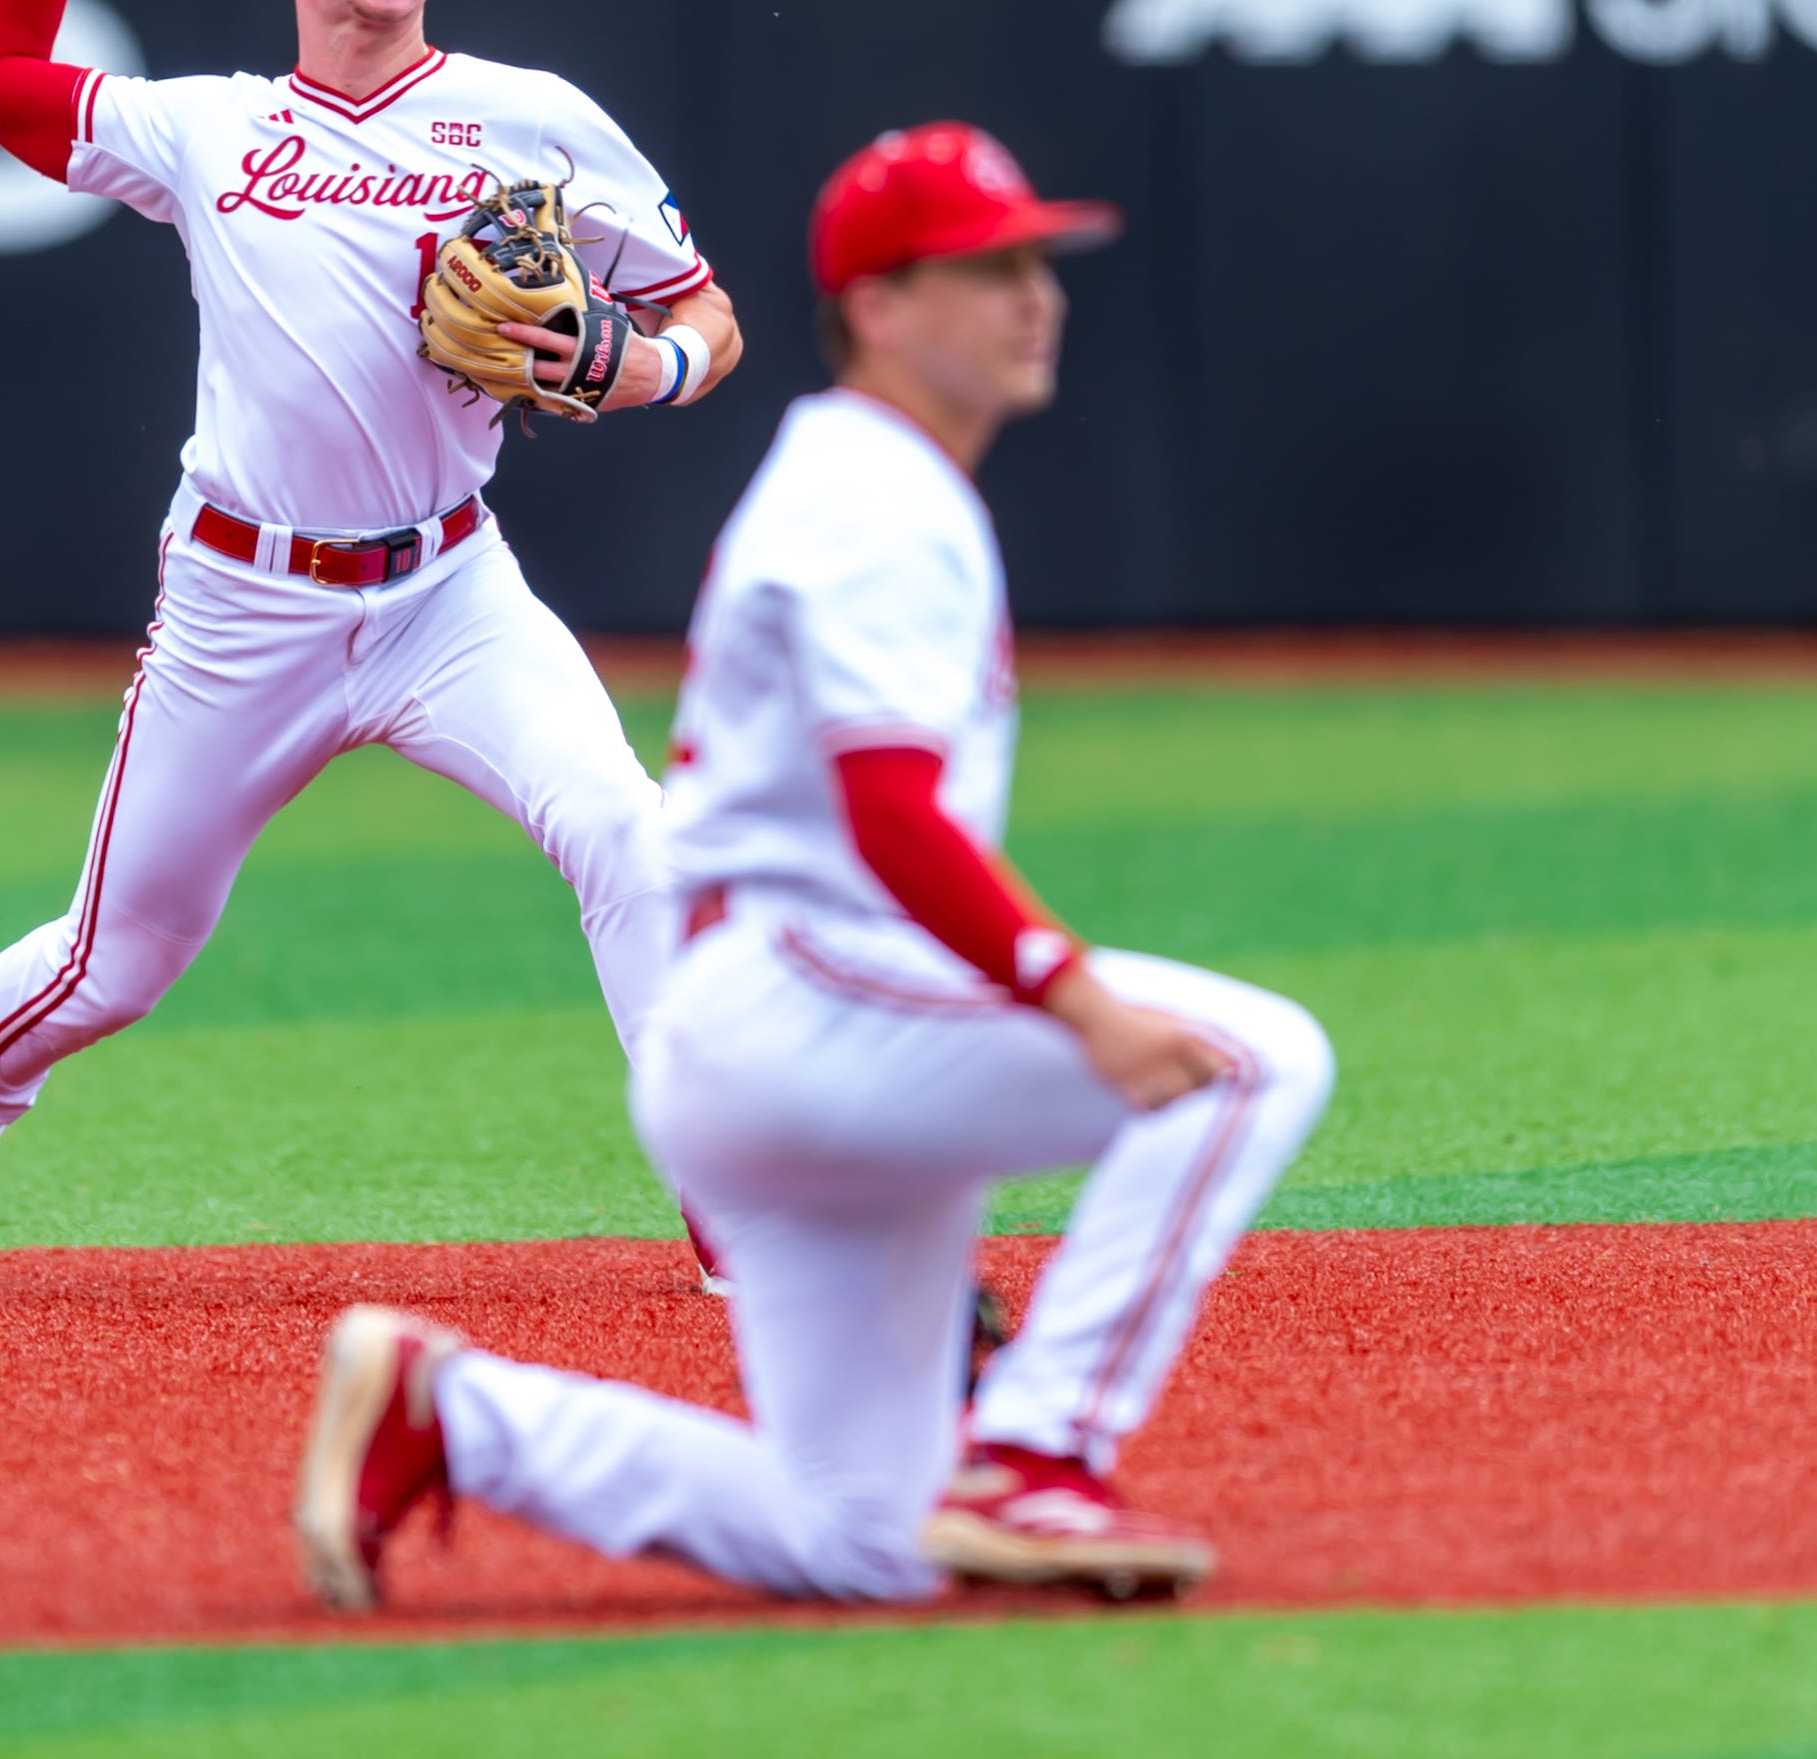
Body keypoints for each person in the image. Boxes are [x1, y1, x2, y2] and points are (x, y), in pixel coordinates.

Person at [292, 122, 1334, 1608]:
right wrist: (1076, 998)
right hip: (812, 1007)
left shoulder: (860, 475)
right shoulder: (879, 503)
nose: (1034, 297)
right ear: (876, 309)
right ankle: (1039, 1458)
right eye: (984, 271)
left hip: (771, 1041)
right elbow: (894, 813)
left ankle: (459, 1416)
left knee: (858, 1532)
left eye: (1038, 264)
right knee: (1254, 1060)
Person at [0, 0, 743, 1279]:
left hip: (450, 593)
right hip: (240, 606)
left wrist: (644, 365)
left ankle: (737, 1204)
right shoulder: (206, 130)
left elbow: (708, 315)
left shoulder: (532, 120)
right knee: (114, 964)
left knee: (628, 832)